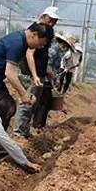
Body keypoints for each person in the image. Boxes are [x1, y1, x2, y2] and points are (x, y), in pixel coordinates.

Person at [0, 22, 54, 130]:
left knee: (7, 107)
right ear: (34, 35)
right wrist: (24, 94)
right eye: (41, 43)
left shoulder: (22, 41)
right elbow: (10, 73)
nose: (40, 47)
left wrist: (33, 78)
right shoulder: (18, 43)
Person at [13, 7, 59, 137]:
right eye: (50, 20)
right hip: (30, 74)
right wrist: (34, 75)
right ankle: (19, 133)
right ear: (44, 17)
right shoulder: (37, 31)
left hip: (38, 75)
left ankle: (24, 130)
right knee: (26, 102)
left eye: (55, 21)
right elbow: (29, 54)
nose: (52, 23)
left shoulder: (46, 32)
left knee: (32, 104)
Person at [32, 32, 73, 128]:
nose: (67, 49)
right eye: (67, 46)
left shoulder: (58, 51)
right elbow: (47, 67)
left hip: (48, 81)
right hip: (45, 81)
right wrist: (55, 78)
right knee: (43, 104)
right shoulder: (54, 50)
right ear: (63, 43)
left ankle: (40, 124)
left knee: (47, 104)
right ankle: (37, 125)